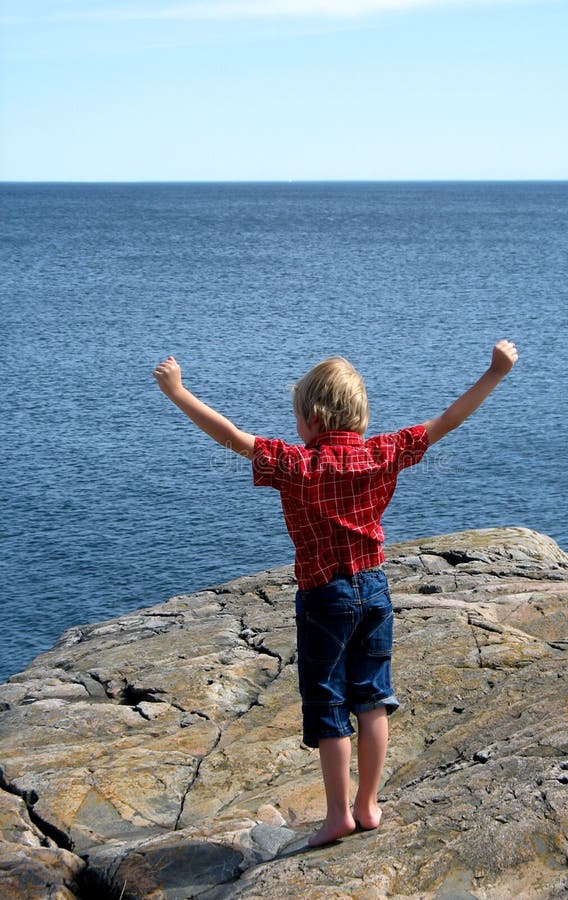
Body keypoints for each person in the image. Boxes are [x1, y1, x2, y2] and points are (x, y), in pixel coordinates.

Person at [152, 339, 518, 847]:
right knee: (372, 697)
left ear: (314, 419)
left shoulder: (297, 464)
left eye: (298, 415)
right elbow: (446, 421)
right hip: (375, 588)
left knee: (327, 703)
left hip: (324, 595)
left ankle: (336, 815)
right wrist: (495, 373)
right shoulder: (382, 454)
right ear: (360, 416)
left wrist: (177, 391)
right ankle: (368, 805)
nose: (295, 425)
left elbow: (230, 436)